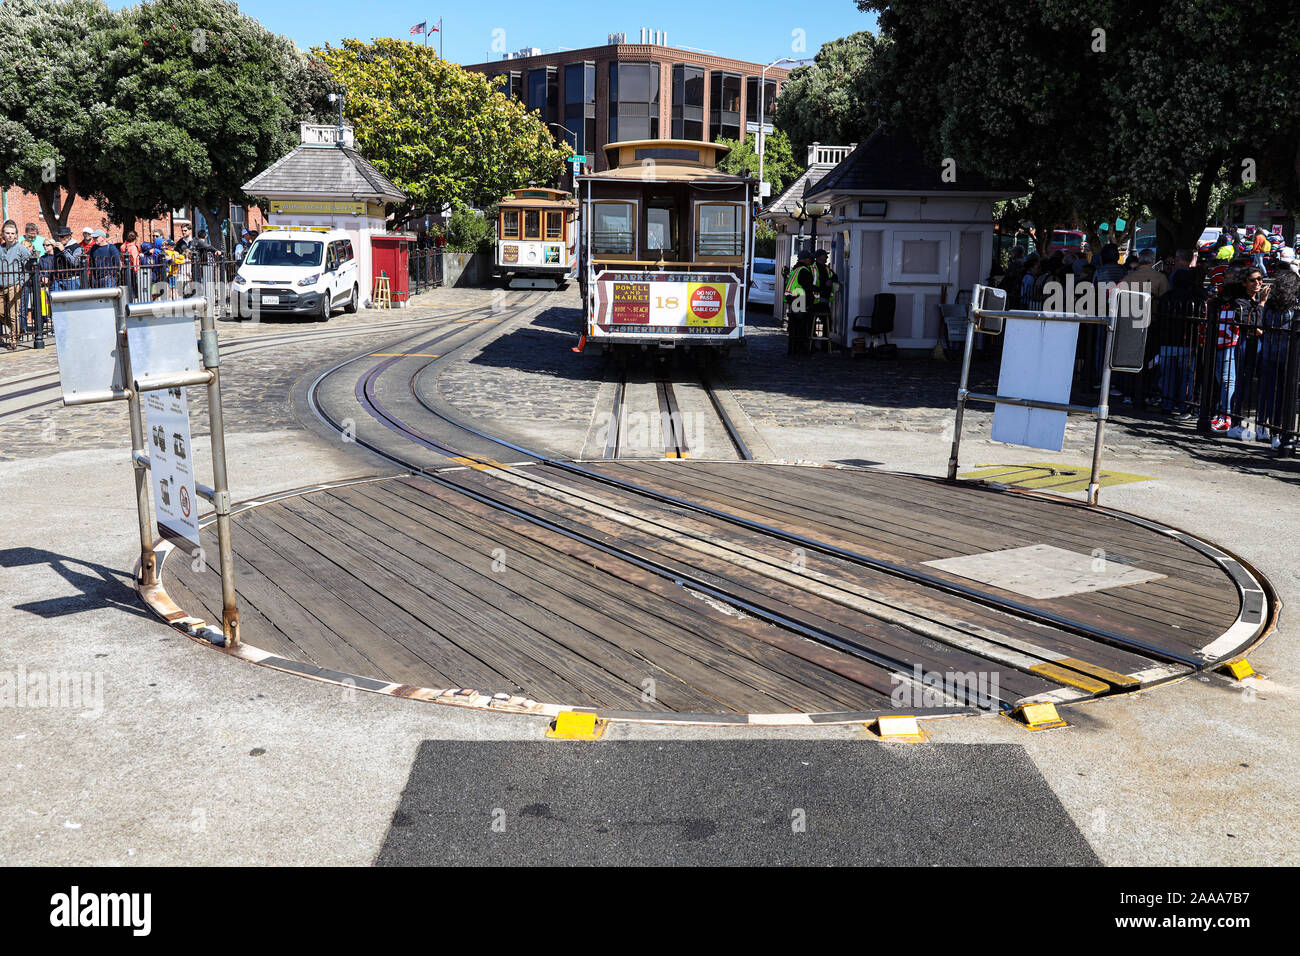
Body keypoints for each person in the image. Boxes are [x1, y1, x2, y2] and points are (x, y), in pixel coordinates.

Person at [1256, 268, 1299, 450]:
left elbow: (1260, 326)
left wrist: (1262, 303)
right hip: (1289, 355)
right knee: (1285, 395)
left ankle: (1263, 427)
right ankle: (1280, 433)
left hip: (1269, 352)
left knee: (1268, 391)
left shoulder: (1270, 305)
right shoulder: (1294, 308)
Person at [1, 220, 33, 348]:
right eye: (7, 233)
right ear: (3, 234)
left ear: (16, 235)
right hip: (1, 285)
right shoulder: (0, 248)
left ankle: (13, 339)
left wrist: (21, 283)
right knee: (2, 312)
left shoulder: (21, 249)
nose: (9, 235)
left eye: (12, 233)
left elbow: (30, 267)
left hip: (14, 285)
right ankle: (16, 331)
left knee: (14, 313)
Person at [783, 247, 816, 355]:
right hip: (800, 300)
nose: (812, 260)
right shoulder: (804, 271)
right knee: (801, 326)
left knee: (794, 326)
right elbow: (808, 288)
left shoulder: (796, 269)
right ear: (805, 259)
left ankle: (793, 349)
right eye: (810, 258)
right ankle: (800, 349)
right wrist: (811, 301)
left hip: (794, 299)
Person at [811, 248, 840, 346]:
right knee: (823, 322)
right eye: (824, 255)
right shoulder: (814, 268)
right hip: (816, 300)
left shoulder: (826, 268)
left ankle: (823, 344)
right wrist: (825, 284)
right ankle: (817, 344)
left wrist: (831, 280)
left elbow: (835, 277)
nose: (827, 257)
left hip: (824, 299)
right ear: (819, 257)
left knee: (826, 323)